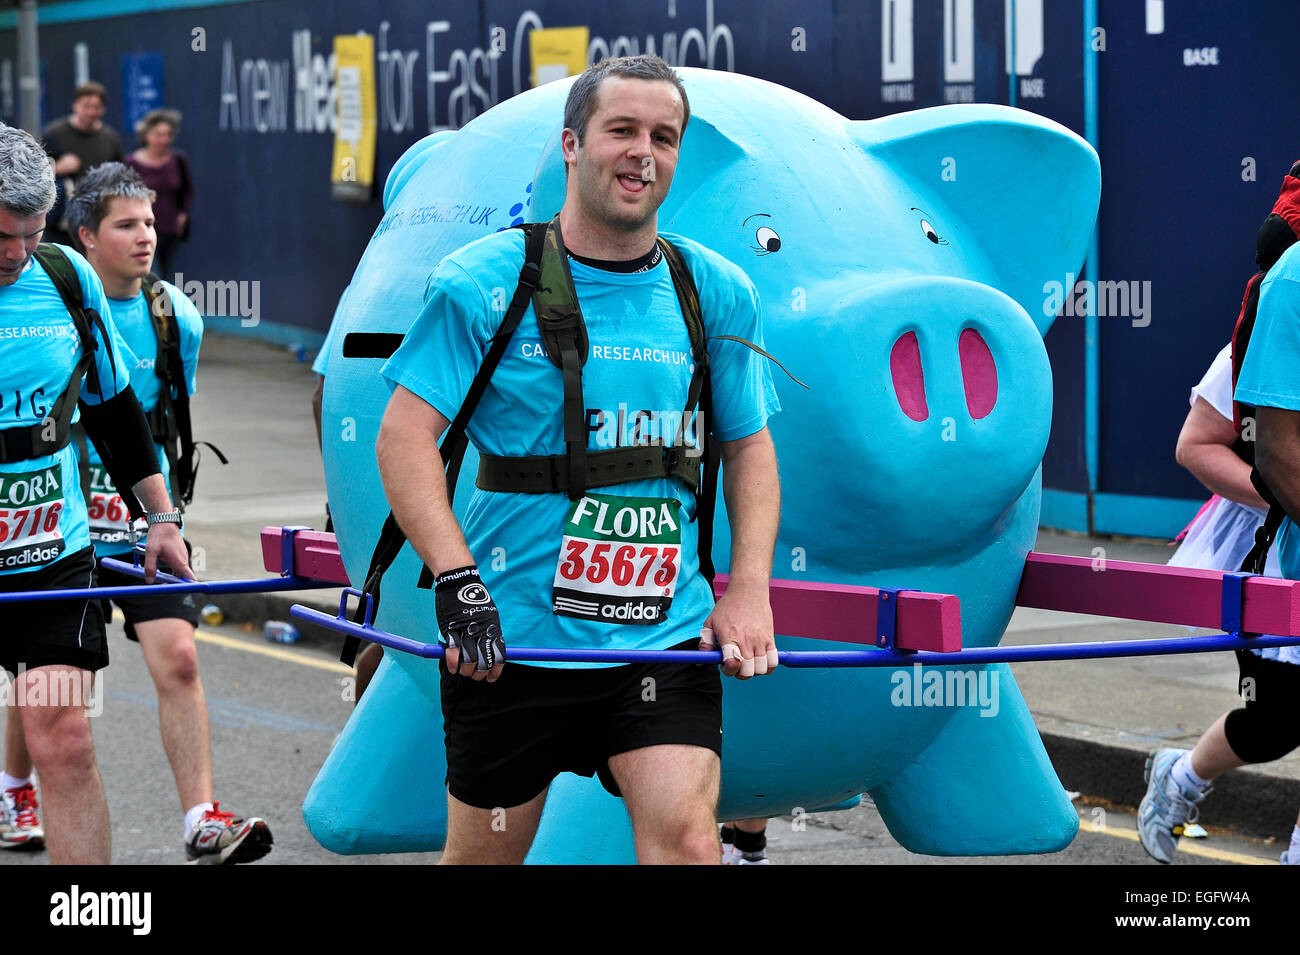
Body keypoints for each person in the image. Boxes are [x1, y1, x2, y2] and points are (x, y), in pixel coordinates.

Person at [375, 55, 782, 865]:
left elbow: (748, 445)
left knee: (694, 845)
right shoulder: (485, 282)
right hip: (512, 645)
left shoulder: (715, 291)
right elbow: (403, 438)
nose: (644, 152)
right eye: (622, 130)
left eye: (664, 137)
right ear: (571, 143)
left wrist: (750, 591)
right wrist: (457, 582)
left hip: (659, 640)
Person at [0, 124, 190, 864]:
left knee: (66, 737)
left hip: (50, 553)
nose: (16, 253)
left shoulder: (68, 279)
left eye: (31, 233)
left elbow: (113, 407)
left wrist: (161, 516)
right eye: (1, 236)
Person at [1139, 165, 1300, 865]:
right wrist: (1285, 497)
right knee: (1275, 724)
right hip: (1277, 540)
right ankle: (1179, 777)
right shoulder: (1266, 325)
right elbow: (1196, 446)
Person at [42, 82, 123, 247]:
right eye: (86, 106)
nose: (92, 112)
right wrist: (57, 168)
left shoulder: (110, 138)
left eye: (97, 107)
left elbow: (119, 175)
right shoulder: (54, 133)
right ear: (75, 105)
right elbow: (33, 173)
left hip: (97, 217)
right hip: (61, 220)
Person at [124, 109, 193, 280]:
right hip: (143, 230)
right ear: (146, 135)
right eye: (158, 134)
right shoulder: (131, 163)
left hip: (171, 230)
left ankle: (162, 305)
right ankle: (155, 305)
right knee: (152, 276)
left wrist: (183, 215)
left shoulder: (178, 159)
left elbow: (187, 190)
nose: (164, 140)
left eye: (168, 135)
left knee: (166, 274)